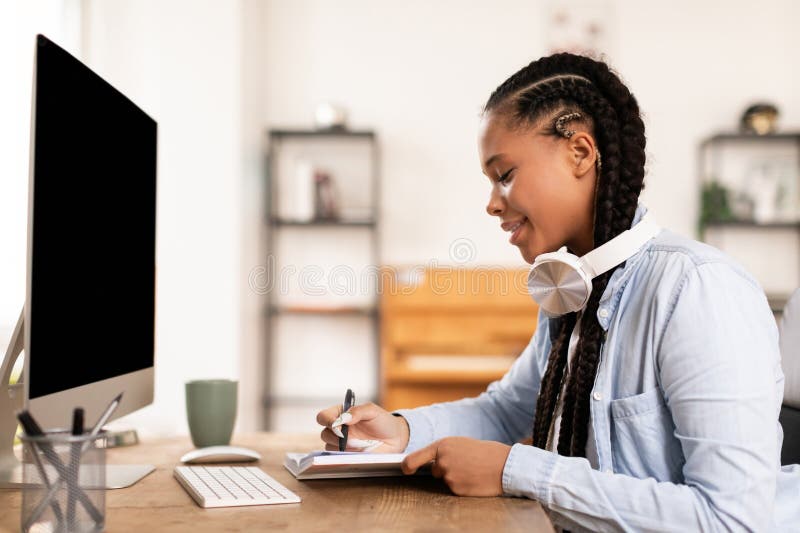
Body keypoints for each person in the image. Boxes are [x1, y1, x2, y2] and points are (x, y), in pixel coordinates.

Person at [316, 53, 800, 531]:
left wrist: (515, 471)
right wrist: (400, 430)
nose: (491, 203)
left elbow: (735, 520)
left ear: (581, 153)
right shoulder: (572, 289)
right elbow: (506, 410)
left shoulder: (698, 290)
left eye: (504, 175)